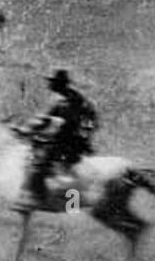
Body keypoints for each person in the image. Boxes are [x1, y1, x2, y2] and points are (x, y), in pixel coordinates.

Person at [20, 69, 98, 209]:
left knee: (38, 165)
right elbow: (91, 117)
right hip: (77, 141)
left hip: (64, 142)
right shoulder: (77, 97)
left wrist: (25, 129)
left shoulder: (60, 100)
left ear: (59, 84)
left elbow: (43, 119)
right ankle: (70, 205)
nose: (49, 85)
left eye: (52, 82)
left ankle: (35, 200)